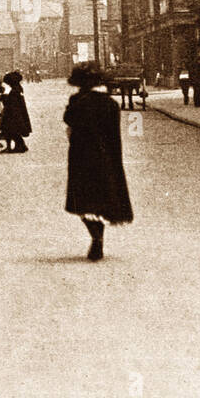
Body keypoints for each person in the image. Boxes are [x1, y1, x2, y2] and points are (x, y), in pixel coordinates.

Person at [63, 61, 133, 261]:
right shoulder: (110, 104)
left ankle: (96, 236)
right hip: (106, 157)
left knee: (84, 202)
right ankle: (99, 237)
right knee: (102, 200)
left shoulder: (77, 101)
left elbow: (69, 122)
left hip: (81, 157)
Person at [0, 70, 32, 153]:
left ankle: (20, 145)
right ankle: (20, 145)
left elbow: (12, 105)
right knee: (15, 131)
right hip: (19, 114)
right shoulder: (18, 89)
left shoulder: (14, 91)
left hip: (14, 115)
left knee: (13, 130)